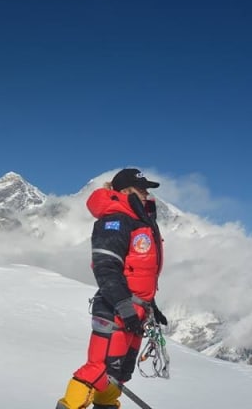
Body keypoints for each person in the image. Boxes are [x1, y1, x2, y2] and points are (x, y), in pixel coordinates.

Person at [56, 168, 168, 409]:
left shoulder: (140, 223)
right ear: (126, 192)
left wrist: (150, 306)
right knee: (97, 370)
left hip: (135, 312)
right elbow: (106, 269)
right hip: (115, 309)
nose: (147, 194)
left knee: (116, 376)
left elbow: (139, 271)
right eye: (142, 189)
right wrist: (125, 306)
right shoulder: (114, 220)